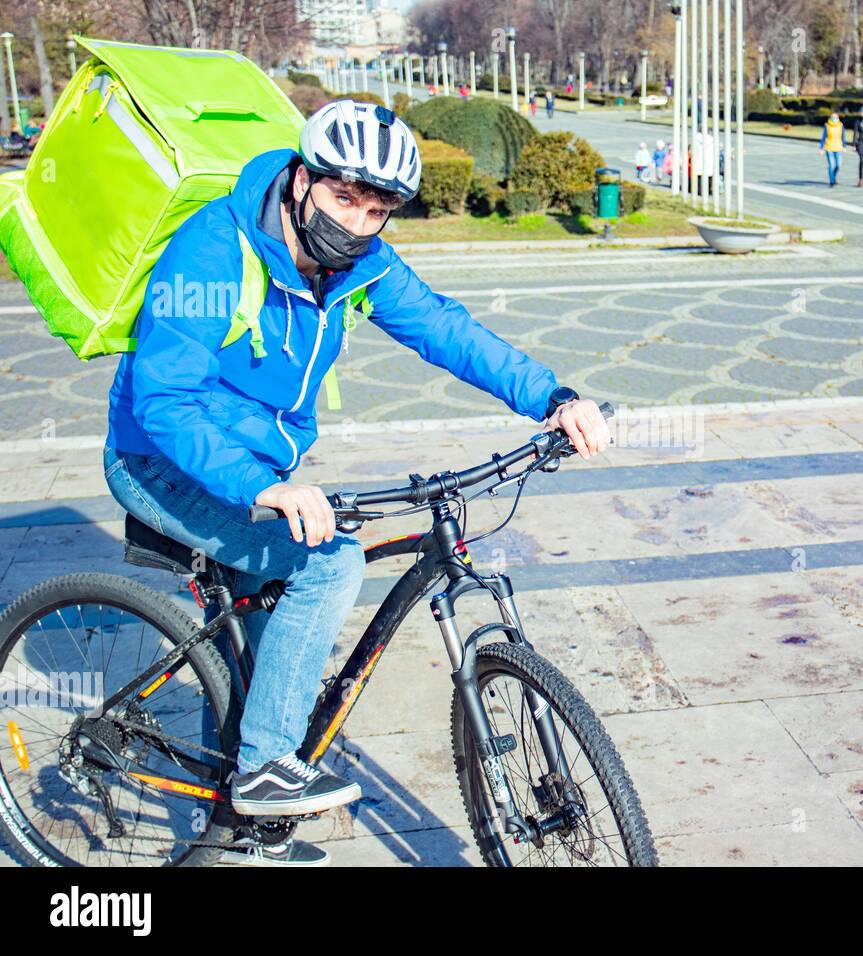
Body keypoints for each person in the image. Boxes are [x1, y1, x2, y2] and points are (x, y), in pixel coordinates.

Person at [102, 100, 610, 865]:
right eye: (344, 199)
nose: (358, 223)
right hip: (160, 462)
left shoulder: (359, 260)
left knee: (267, 629)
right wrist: (262, 488)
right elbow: (165, 400)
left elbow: (443, 328)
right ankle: (266, 770)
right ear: (303, 180)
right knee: (331, 562)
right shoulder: (211, 250)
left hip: (257, 466)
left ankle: (242, 821)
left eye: (377, 211)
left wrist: (553, 398)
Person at [819, 111, 846, 188]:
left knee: (838, 165)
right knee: (832, 165)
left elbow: (843, 136)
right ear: (830, 118)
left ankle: (834, 176)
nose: (834, 119)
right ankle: (832, 181)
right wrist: (821, 148)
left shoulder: (841, 125)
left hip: (838, 147)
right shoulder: (827, 125)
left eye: (836, 117)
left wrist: (844, 146)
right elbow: (823, 137)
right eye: (833, 117)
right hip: (829, 147)